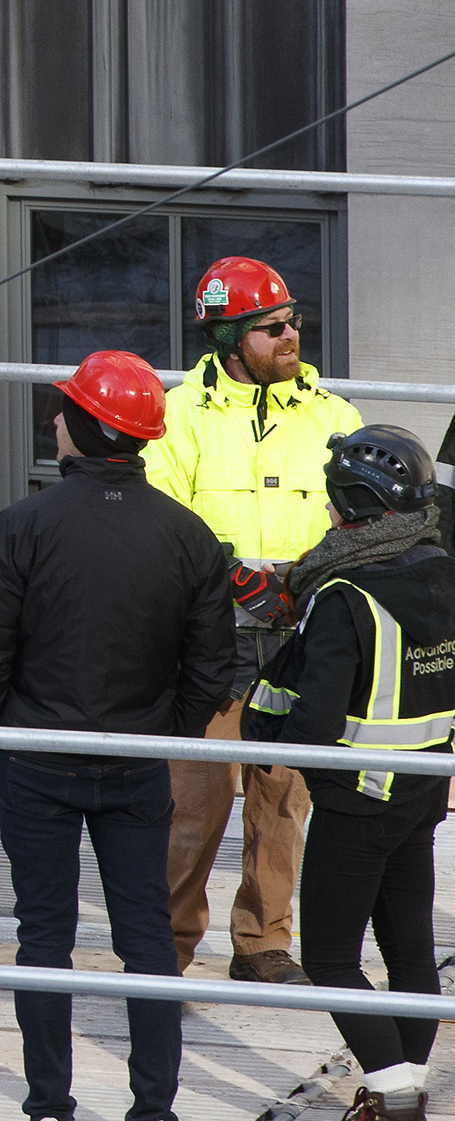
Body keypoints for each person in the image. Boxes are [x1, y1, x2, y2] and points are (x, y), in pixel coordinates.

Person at [0, 350, 235, 1121]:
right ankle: (154, 1109)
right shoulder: (188, 536)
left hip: (36, 762)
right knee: (146, 938)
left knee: (43, 937)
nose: (52, 419)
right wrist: (160, 735)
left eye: (63, 409)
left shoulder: (25, 524)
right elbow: (213, 666)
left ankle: (49, 1103)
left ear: (86, 426)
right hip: (136, 765)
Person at [148, 255, 364, 983]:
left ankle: (264, 941)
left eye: (295, 321)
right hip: (211, 632)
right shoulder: (178, 414)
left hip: (300, 623)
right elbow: (164, 520)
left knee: (281, 792)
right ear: (231, 337)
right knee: (195, 798)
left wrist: (308, 581)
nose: (291, 334)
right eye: (273, 327)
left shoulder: (332, 416)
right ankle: (167, 947)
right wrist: (237, 578)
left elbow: (357, 517)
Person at [244, 426, 455, 1121]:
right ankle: (403, 1089)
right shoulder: (442, 571)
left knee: (332, 959)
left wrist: (265, 731)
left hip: (357, 803)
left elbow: (314, 724)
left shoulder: (344, 595)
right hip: (421, 795)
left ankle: (395, 1097)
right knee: (411, 957)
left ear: (345, 504)